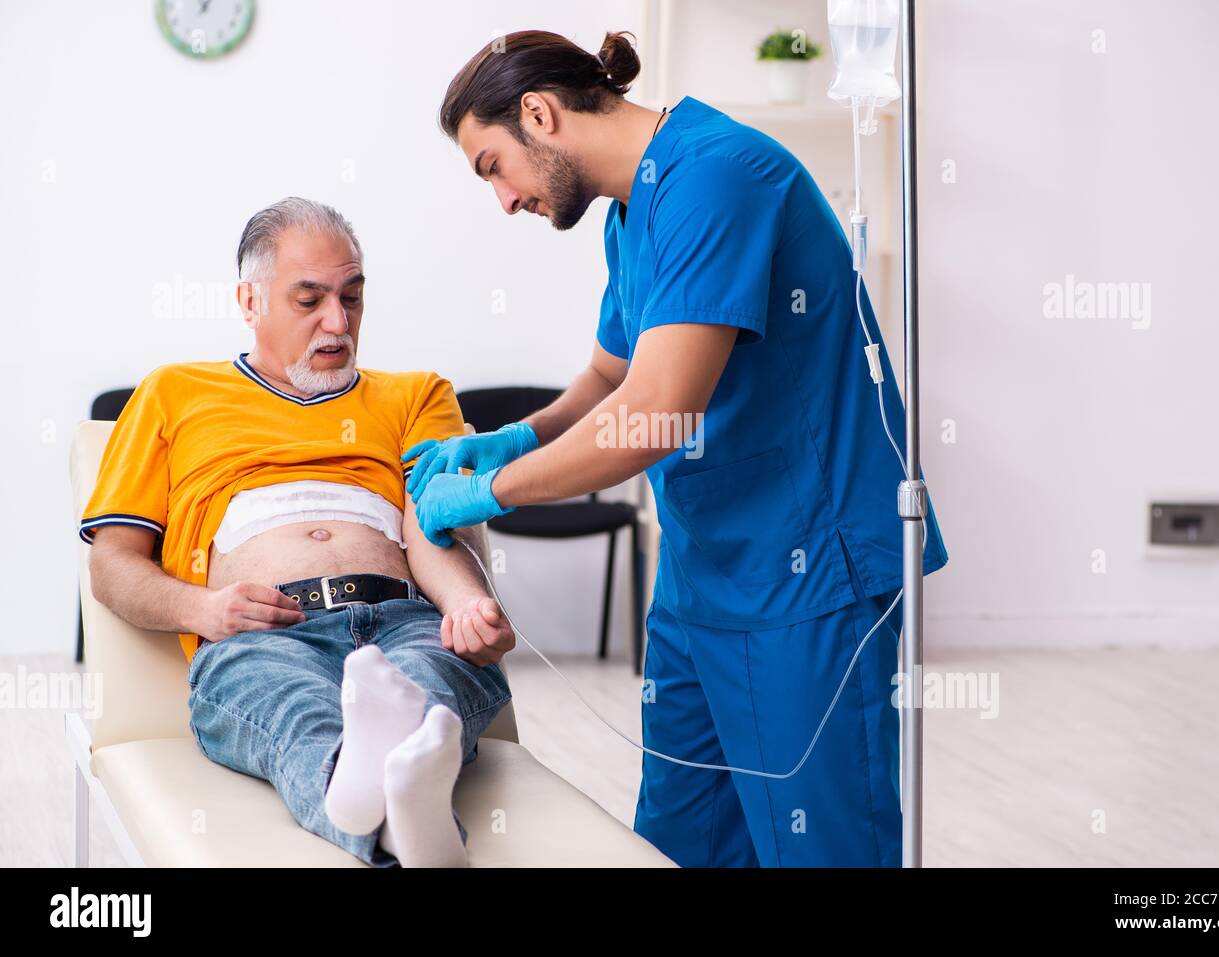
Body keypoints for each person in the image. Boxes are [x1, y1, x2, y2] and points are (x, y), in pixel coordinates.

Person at [405, 30, 950, 867]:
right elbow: (608, 375)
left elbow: (656, 414)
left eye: (492, 167)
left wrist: (495, 492)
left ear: (540, 114)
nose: (504, 200)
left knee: (823, 849)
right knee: (682, 843)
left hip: (805, 575)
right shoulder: (629, 215)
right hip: (704, 579)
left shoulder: (716, 176)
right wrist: (505, 438)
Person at [82, 197, 513, 867]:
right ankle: (407, 819)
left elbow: (429, 528)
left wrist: (464, 603)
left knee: (429, 675)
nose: (337, 323)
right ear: (249, 301)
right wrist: (204, 609)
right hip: (262, 634)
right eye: (308, 300)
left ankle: (391, 814)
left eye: (352, 297)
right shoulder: (171, 393)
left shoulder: (418, 394)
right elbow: (112, 566)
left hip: (404, 619)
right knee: (294, 710)